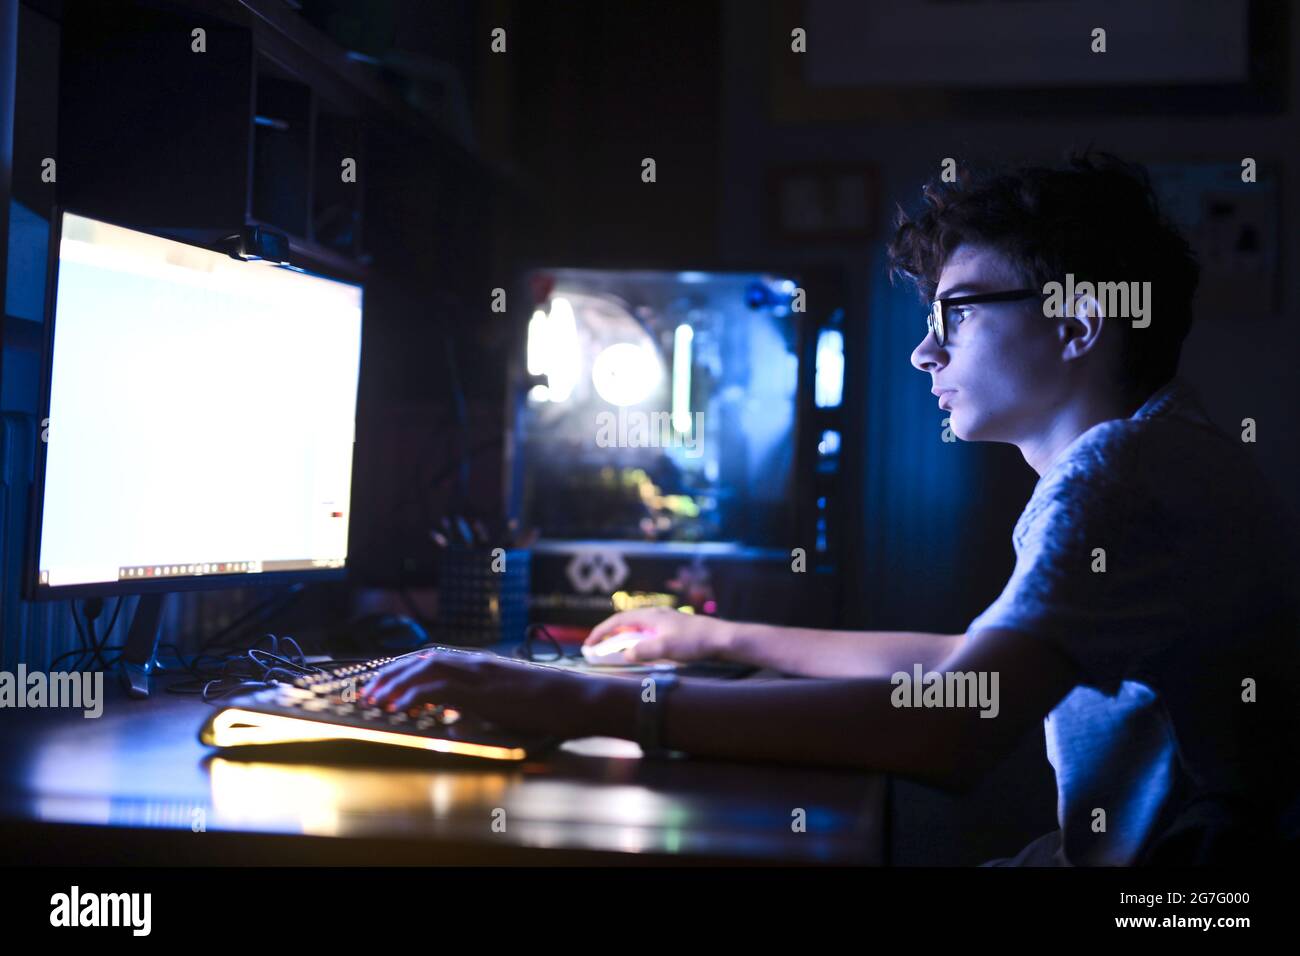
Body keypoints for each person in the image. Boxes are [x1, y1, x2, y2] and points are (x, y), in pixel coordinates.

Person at [363, 153, 1300, 866]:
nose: (923, 356)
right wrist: (720, 642)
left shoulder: (1116, 479)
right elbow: (975, 669)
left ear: (1079, 323)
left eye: (956, 315)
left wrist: (573, 698)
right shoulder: (1162, 448)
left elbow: (949, 726)